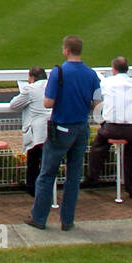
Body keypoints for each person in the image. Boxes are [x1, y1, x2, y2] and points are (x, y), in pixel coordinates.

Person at [26, 35, 101, 231]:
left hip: (61, 128)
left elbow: (48, 102)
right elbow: (97, 103)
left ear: (66, 50)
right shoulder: (91, 74)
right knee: (74, 176)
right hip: (81, 128)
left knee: (47, 174)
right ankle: (67, 221)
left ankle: (39, 218)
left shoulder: (59, 72)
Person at [83, 57, 132, 196]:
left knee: (98, 147)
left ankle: (92, 178)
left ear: (114, 69)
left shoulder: (107, 82)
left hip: (113, 129)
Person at [9, 66, 49, 197]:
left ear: (32, 78)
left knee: (33, 160)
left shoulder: (30, 89)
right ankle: (45, 190)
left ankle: (33, 189)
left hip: (39, 133)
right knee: (48, 162)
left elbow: (14, 105)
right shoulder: (54, 87)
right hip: (55, 130)